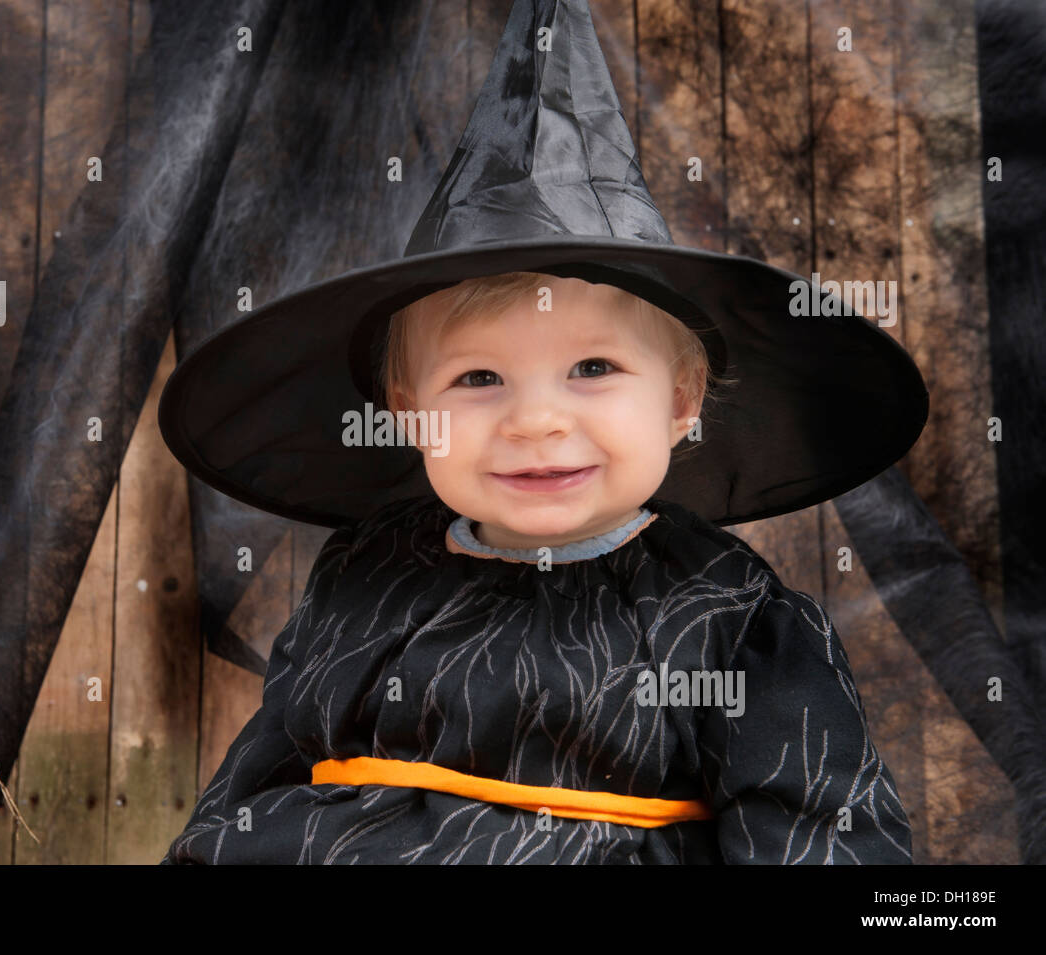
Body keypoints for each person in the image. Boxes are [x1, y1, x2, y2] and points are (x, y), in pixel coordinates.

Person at [157, 0, 924, 864]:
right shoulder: (361, 579)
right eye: (478, 378)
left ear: (681, 399)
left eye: (593, 368)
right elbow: (253, 796)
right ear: (408, 412)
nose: (536, 420)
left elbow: (823, 837)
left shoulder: (735, 619)